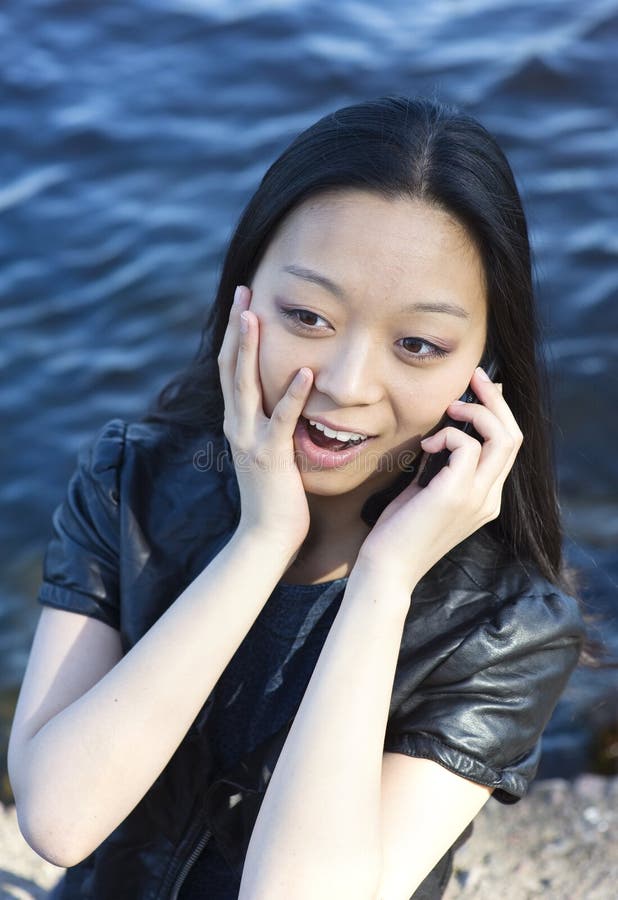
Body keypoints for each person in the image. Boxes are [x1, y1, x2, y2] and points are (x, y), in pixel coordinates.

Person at [8, 96, 587, 900]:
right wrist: (260, 541)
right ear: (243, 299)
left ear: (483, 368)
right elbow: (59, 818)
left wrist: (383, 583)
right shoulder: (130, 481)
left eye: (418, 344)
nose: (347, 384)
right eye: (308, 316)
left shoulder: (507, 625)